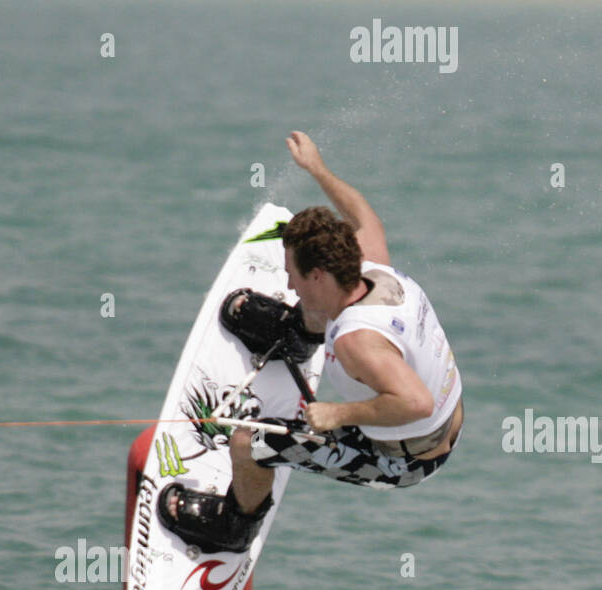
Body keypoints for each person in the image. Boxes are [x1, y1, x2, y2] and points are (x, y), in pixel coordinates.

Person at [159, 130, 464, 554]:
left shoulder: (359, 342)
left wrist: (337, 413)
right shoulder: (370, 266)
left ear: (317, 272)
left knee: (247, 443)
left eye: (294, 274)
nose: (286, 281)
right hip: (443, 421)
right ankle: (297, 336)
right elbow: (363, 215)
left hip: (407, 459)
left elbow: (416, 403)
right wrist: (317, 170)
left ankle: (234, 527)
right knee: (323, 309)